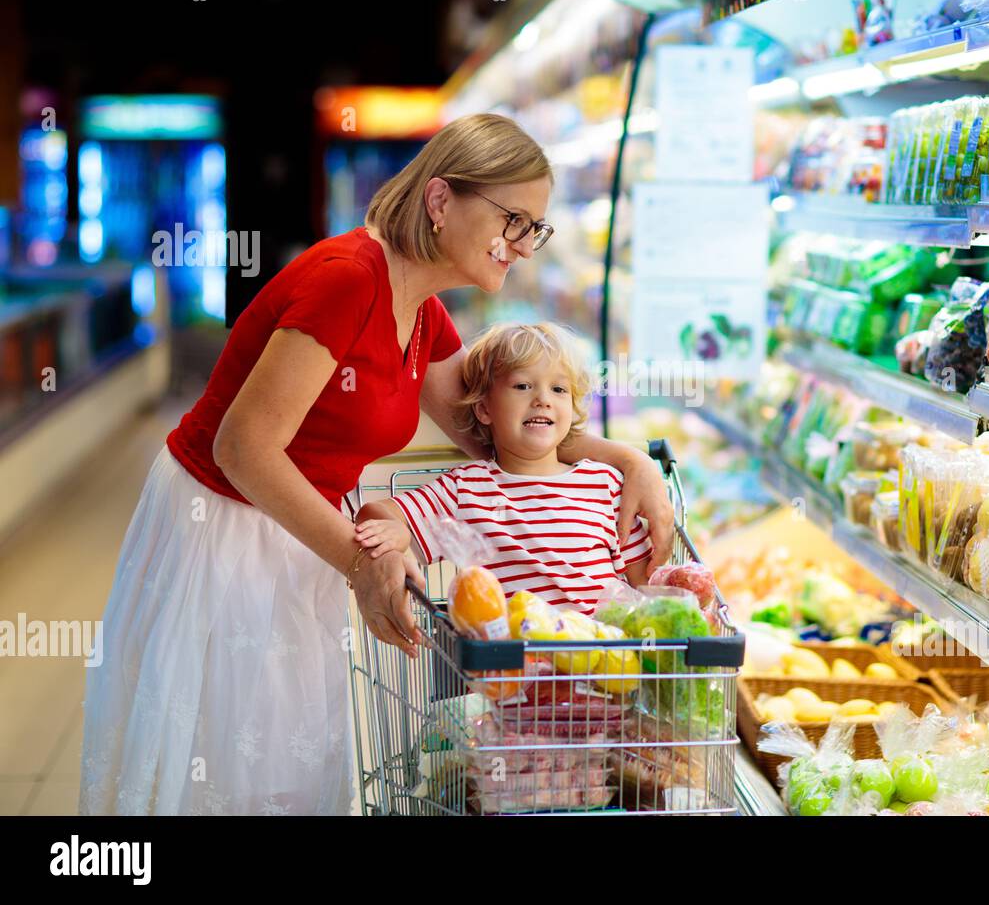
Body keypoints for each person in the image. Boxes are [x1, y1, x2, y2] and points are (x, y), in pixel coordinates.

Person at [80, 113, 674, 816]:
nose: (523, 246)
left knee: (285, 756)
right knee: (225, 764)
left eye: (534, 229)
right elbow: (240, 448)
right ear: (442, 200)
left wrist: (623, 459)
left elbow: (498, 433)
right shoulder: (347, 282)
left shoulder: (421, 311)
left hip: (298, 528)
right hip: (225, 522)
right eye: (515, 219)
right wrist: (363, 565)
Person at [353, 322, 652, 612]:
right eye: (523, 385)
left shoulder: (605, 485)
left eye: (559, 390)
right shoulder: (466, 489)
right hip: (506, 658)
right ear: (484, 409)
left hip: (601, 658)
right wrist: (399, 536)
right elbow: (376, 513)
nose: (543, 400)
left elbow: (646, 586)